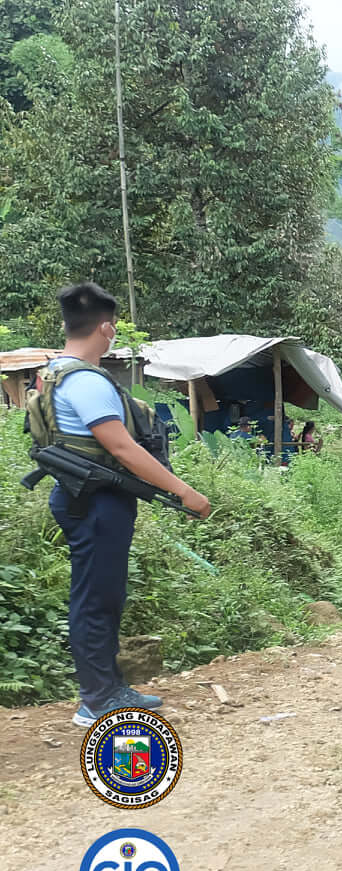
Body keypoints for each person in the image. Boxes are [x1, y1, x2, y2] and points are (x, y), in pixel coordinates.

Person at [31, 283, 212, 727]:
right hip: (95, 501)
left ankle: (108, 689)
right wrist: (184, 491)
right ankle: (97, 699)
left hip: (84, 495)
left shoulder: (53, 372)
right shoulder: (85, 381)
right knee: (97, 599)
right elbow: (123, 448)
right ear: (106, 328)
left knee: (103, 595)